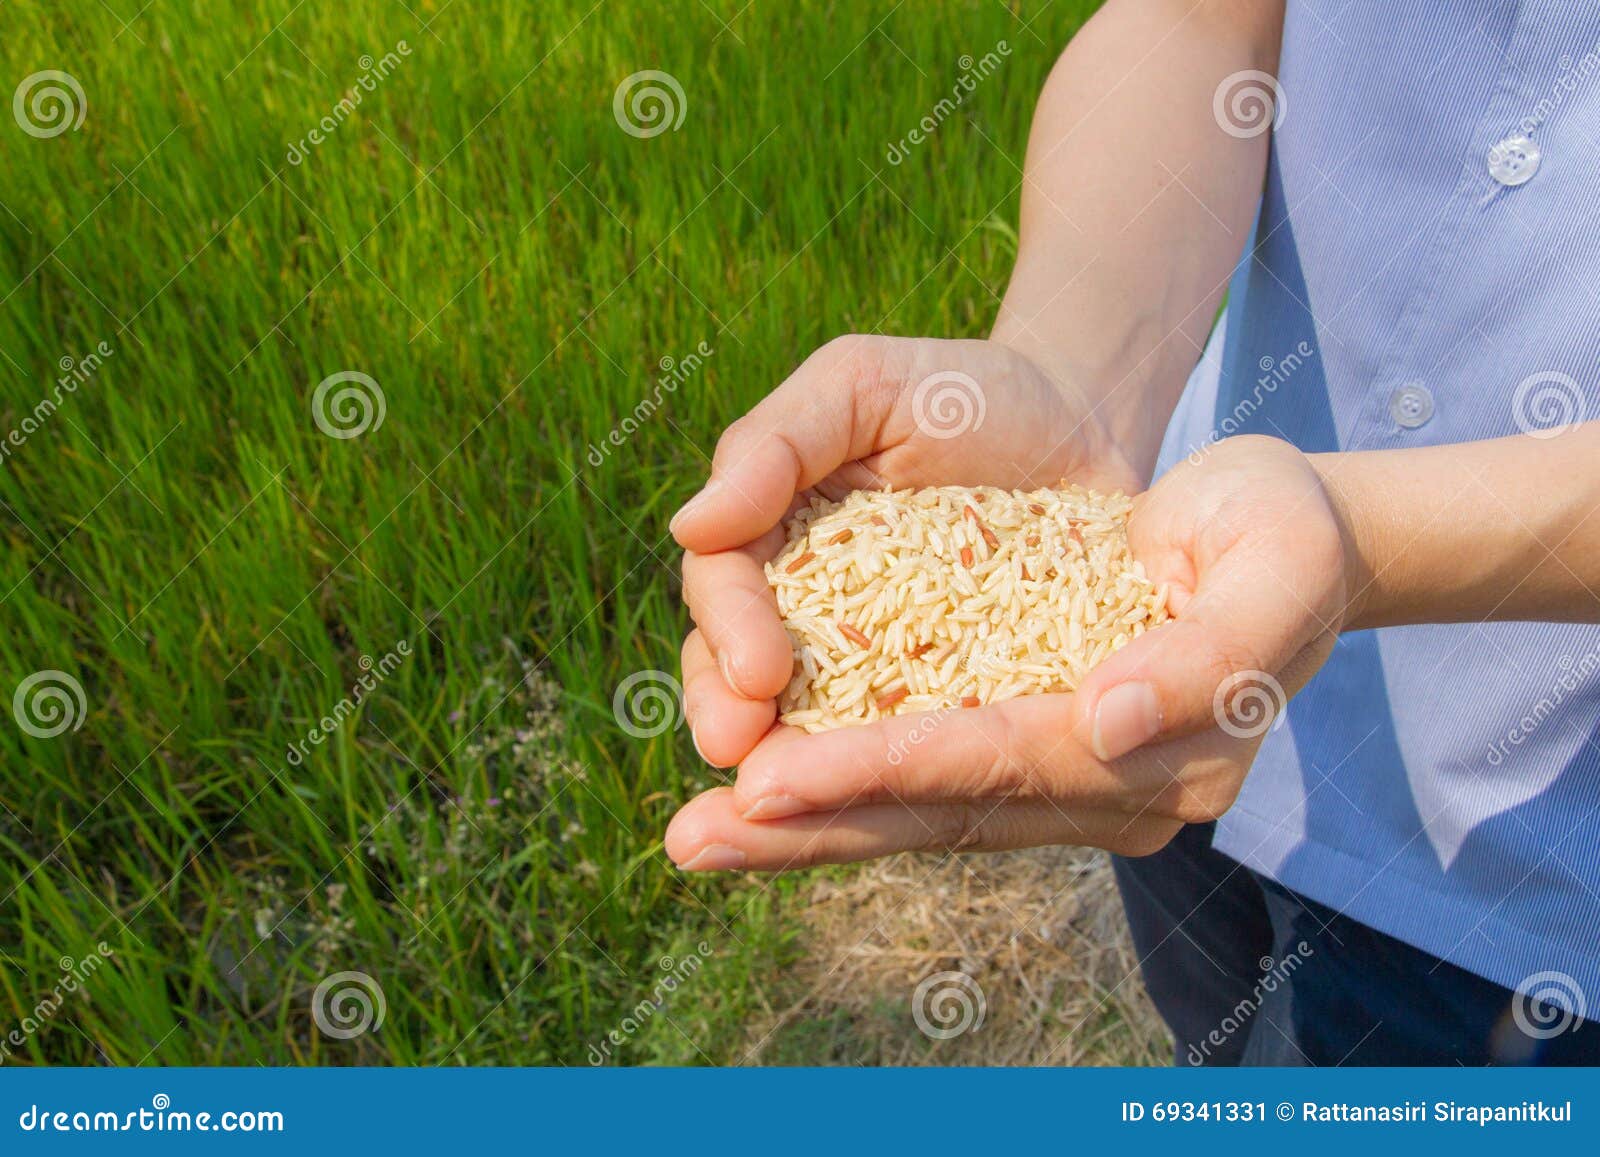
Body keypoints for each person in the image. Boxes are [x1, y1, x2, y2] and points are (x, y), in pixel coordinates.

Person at [664, 0, 1600, 1065]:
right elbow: (1200, 21)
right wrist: (1077, 377)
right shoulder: (1127, 583)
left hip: (1519, 871)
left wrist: (1364, 537)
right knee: (1207, 1037)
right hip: (1159, 615)